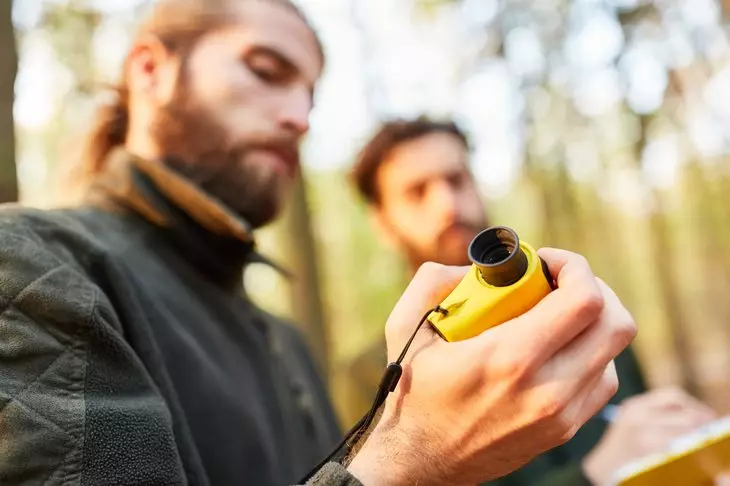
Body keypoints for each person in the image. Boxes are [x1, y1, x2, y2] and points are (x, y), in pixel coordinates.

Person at [0, 1, 638, 485]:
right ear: (151, 70)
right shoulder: (31, 264)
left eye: (310, 94)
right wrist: (414, 451)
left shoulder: (287, 346)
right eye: (266, 71)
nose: (301, 118)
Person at [349, 117, 720, 486]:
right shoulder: (379, 373)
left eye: (457, 180)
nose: (447, 204)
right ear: (383, 223)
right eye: (417, 192)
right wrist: (593, 474)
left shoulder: (579, 307)